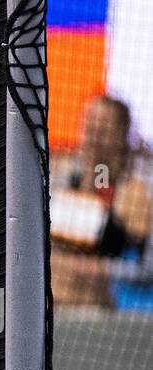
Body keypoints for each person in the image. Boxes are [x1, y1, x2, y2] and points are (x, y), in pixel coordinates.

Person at [51, 94, 152, 308]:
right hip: (50, 307)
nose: (94, 136)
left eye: (104, 129)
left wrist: (97, 269)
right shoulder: (61, 176)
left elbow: (146, 269)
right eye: (90, 126)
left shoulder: (132, 194)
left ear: (122, 136)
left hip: (96, 318)